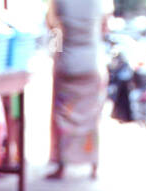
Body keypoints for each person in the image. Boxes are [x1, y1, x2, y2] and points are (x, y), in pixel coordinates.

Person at [47, 0, 112, 180]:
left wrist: (55, 58)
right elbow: (105, 28)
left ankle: (62, 165)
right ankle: (93, 164)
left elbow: (54, 32)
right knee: (92, 116)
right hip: (92, 63)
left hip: (66, 64)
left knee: (63, 116)